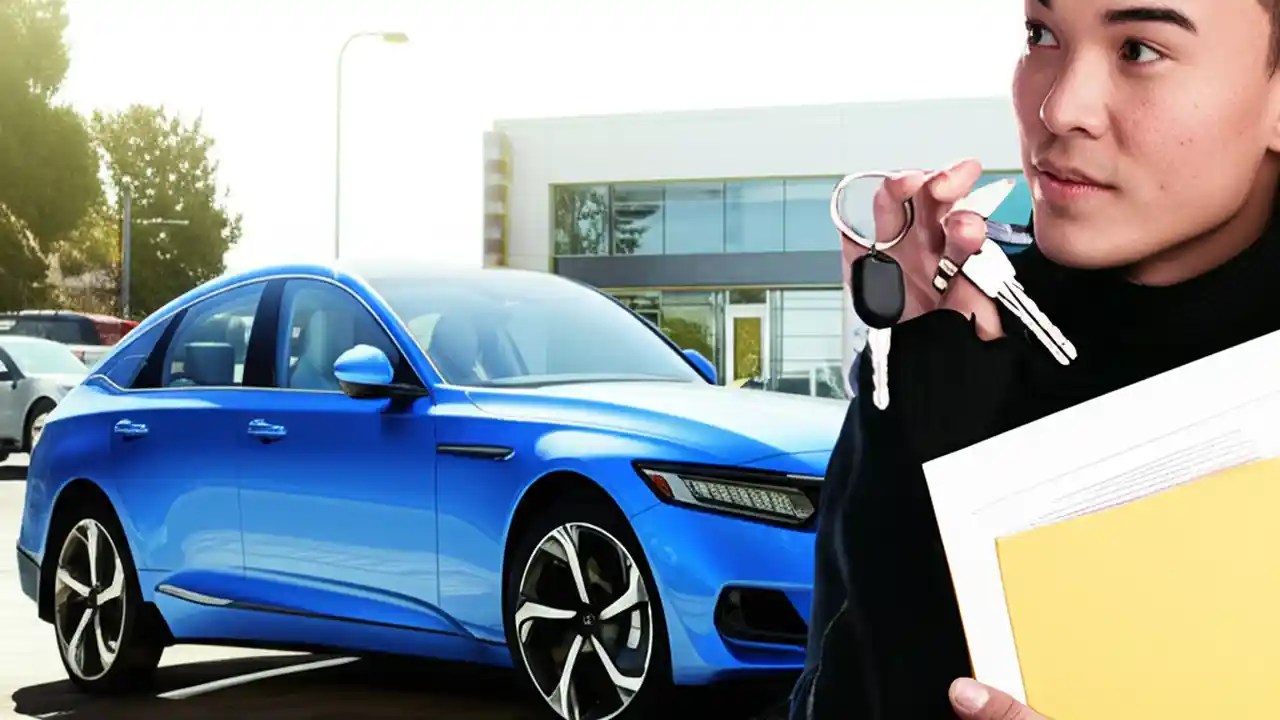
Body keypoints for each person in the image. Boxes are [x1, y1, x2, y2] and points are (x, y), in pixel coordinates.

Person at [789, 0, 1280, 717]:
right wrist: (902, 435)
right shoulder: (954, 343)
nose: (1058, 107)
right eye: (1041, 34)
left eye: (1139, 48)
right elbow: (839, 692)